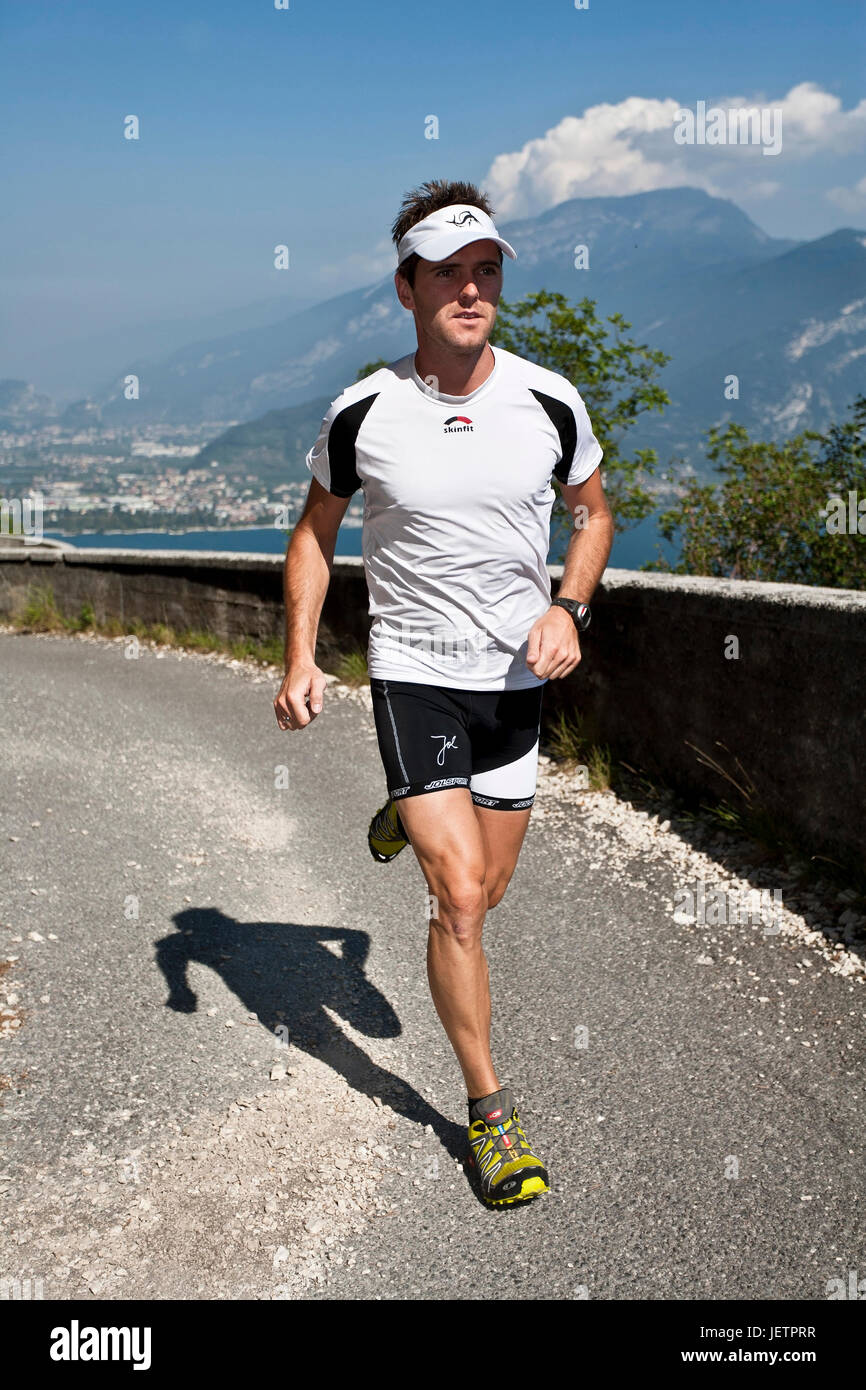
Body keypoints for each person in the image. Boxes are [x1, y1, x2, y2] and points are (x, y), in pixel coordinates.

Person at [274, 178, 613, 1206]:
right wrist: (298, 654)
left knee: (489, 886)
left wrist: (568, 608)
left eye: (485, 272)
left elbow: (593, 516)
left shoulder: (548, 399)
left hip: (512, 682)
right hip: (413, 676)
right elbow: (312, 531)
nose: (469, 290)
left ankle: (413, 802)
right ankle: (488, 1112)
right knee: (457, 896)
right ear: (405, 287)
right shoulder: (364, 411)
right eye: (447, 274)